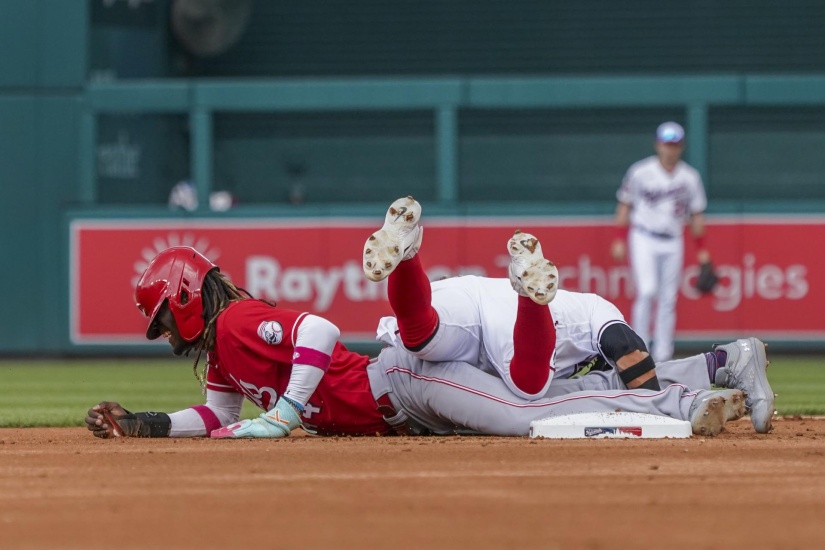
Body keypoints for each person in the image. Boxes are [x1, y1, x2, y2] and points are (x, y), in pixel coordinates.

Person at [85, 244, 746, 440]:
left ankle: (681, 404)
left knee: (526, 416)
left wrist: (285, 413)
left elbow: (315, 330)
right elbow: (218, 417)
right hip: (405, 410)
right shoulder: (224, 351)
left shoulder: (234, 323)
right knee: (544, 397)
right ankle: (706, 370)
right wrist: (144, 424)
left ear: (181, 300)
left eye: (163, 321)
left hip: (401, 384)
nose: (164, 334)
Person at [363, 196, 774, 433]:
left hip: (463, 294)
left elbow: (615, 374)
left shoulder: (587, 311)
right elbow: (628, 352)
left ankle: (408, 255)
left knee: (419, 335)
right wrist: (653, 408)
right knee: (531, 389)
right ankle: (529, 294)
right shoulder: (596, 309)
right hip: (512, 319)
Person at [610, 121, 711, 364]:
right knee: (647, 291)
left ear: (681, 147)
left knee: (668, 298)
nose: (670, 149)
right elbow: (625, 204)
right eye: (667, 144)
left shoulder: (690, 176)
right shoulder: (640, 171)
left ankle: (664, 354)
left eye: (675, 144)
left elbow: (696, 215)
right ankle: (638, 349)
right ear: (658, 145)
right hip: (644, 236)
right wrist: (618, 238)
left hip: (673, 239)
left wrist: (702, 249)